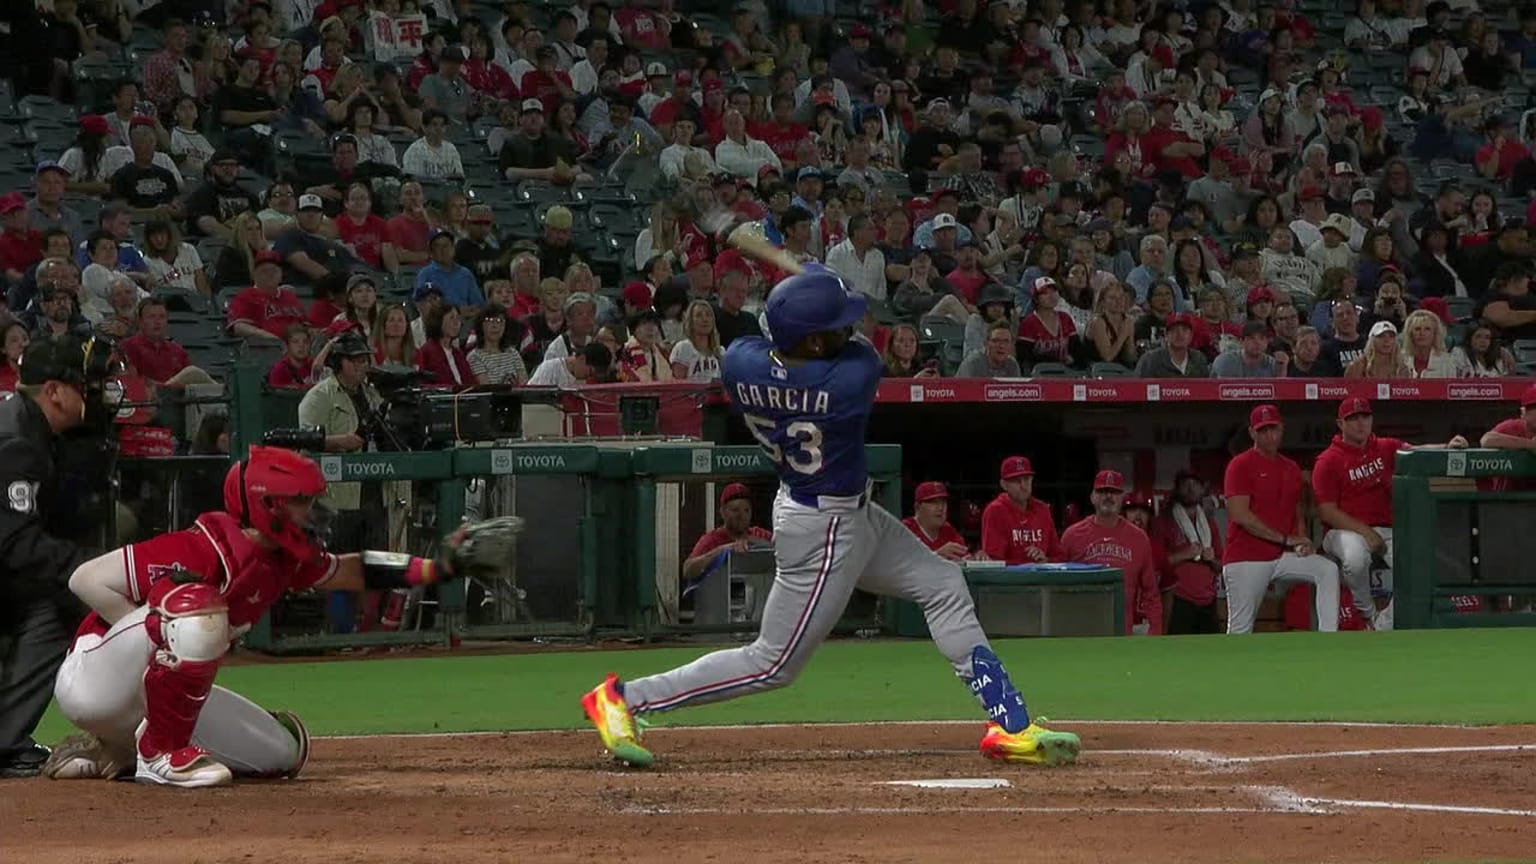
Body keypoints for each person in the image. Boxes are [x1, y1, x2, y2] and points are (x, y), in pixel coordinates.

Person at [579, 264, 1079, 768]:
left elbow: (763, 338)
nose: (849, 330)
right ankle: (625, 699)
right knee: (772, 663)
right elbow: (859, 347)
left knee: (942, 583)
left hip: (837, 512)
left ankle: (1010, 723)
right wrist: (815, 288)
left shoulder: (738, 363)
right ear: (815, 344)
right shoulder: (849, 381)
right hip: (826, 531)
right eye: (835, 326)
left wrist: (810, 293)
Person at [40, 446, 476, 786]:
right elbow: (85, 579)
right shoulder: (199, 546)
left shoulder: (282, 559)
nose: (313, 510)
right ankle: (158, 754)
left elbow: (352, 569)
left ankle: (115, 750)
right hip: (95, 678)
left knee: (282, 753)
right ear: (268, 505)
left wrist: (438, 568)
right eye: (301, 501)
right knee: (195, 608)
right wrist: (158, 631)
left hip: (153, 693)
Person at [0, 335, 116, 777]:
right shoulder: (15, 442)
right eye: (83, 386)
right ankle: (5, 744)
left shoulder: (30, 428)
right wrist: (90, 570)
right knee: (57, 602)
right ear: (52, 391)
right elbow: (15, 547)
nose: (94, 394)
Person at [1314, 398, 1467, 630]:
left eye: (1364, 417)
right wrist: (1366, 532)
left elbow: (1416, 451)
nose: (1360, 423)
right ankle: (1367, 612)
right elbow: (1327, 511)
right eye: (1352, 419)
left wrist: (1447, 446)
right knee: (1355, 558)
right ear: (1340, 423)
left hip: (1386, 529)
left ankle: (1380, 625)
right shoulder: (1328, 460)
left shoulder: (1384, 447)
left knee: (1420, 567)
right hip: (1342, 531)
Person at [1221, 405, 1342, 635]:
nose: (1270, 435)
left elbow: (1294, 508)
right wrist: (1286, 539)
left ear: (1282, 428)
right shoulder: (1240, 464)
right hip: (1247, 558)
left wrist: (1302, 538)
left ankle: (1329, 639)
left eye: (1273, 428)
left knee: (1327, 570)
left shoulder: (1291, 467)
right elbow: (1240, 515)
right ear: (1252, 433)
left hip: (1282, 554)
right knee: (1240, 629)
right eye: (1263, 430)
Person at [1059, 470, 1162, 635]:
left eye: (1114, 492)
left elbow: (1151, 593)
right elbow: (1058, 590)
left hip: (1122, 634)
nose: (1108, 496)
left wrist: (1155, 632)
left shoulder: (1139, 538)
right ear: (1092, 497)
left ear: (1122, 498)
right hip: (1081, 634)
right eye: (1102, 491)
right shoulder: (1071, 536)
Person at [1149, 470, 1223, 635]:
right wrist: (1184, 554)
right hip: (1177, 599)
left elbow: (1220, 566)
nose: (1190, 489)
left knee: (1212, 654)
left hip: (1208, 600)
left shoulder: (1209, 524)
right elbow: (1154, 564)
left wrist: (1211, 559)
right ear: (1177, 489)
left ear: (1203, 489)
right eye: (1185, 484)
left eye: (1195, 484)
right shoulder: (1163, 522)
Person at [679, 483, 773, 585]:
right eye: (735, 510)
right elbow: (687, 570)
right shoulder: (712, 539)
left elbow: (785, 554)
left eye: (746, 510)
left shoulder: (760, 534)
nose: (741, 515)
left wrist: (754, 543)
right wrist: (722, 551)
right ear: (723, 512)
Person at [979, 456, 1061, 564]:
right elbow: (993, 562)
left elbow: (1059, 556)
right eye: (1016, 481)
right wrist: (1027, 562)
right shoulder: (995, 511)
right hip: (1010, 579)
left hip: (1042, 577)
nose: (1023, 486)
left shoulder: (1043, 509)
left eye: (1027, 479)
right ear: (1003, 485)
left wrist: (1045, 560)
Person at [901, 481, 969, 561]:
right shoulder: (905, 530)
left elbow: (965, 558)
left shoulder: (948, 530)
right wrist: (936, 556)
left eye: (943, 502)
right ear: (917, 507)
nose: (940, 508)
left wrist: (977, 558)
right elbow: (901, 566)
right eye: (933, 502)